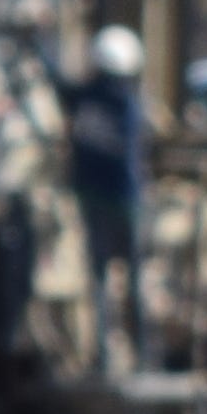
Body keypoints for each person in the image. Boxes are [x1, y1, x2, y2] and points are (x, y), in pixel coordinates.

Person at [66, 20, 148, 309]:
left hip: (93, 197)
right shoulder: (130, 105)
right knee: (134, 278)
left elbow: (61, 87)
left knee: (99, 275)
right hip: (126, 198)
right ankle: (141, 347)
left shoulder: (84, 97)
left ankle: (102, 349)